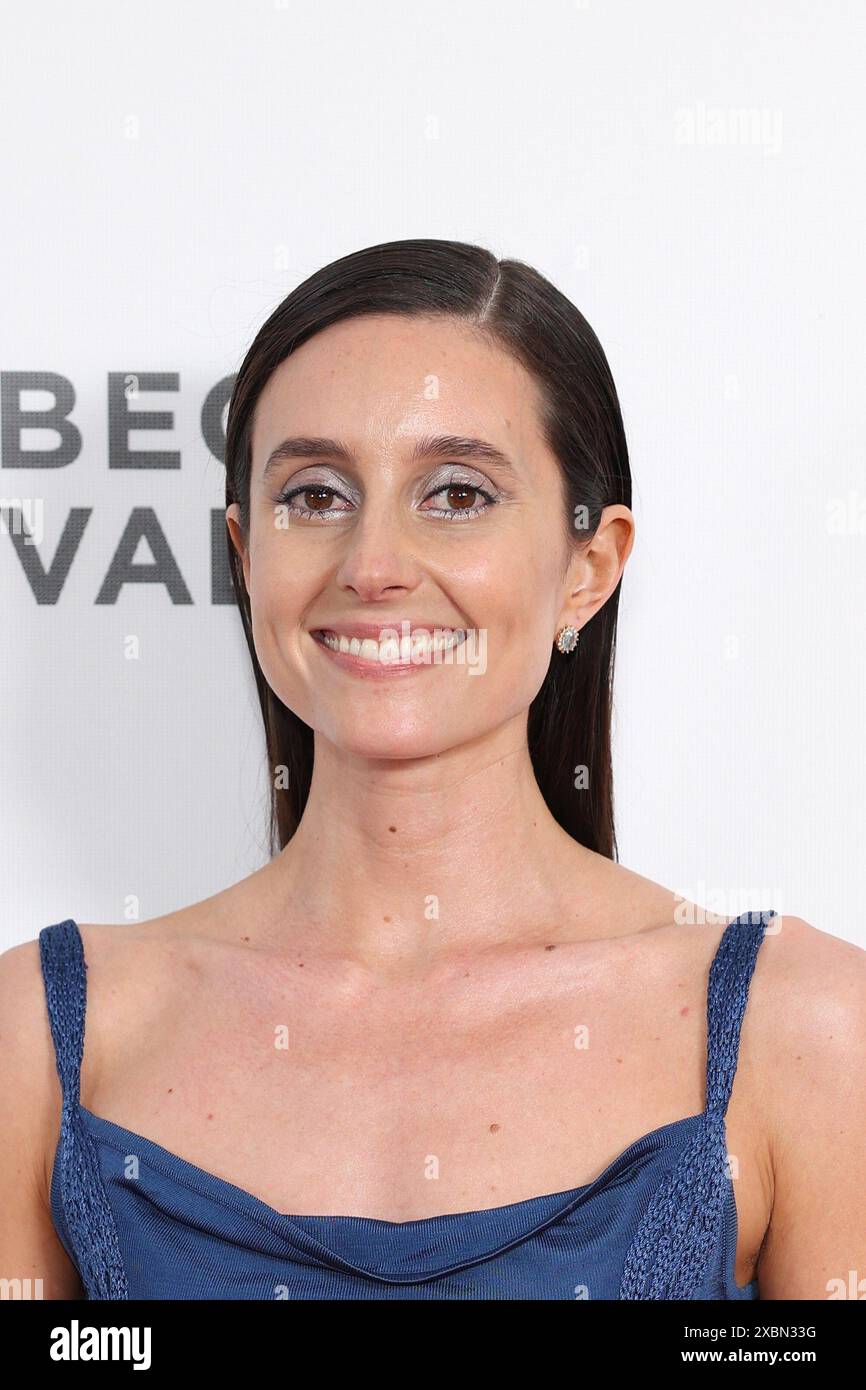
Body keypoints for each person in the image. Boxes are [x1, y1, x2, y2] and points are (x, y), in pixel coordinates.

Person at [2, 240, 863, 1300]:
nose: (372, 565)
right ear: (244, 554)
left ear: (587, 568)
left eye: (455, 494)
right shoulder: (38, 1041)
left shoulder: (807, 1030)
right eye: (314, 496)